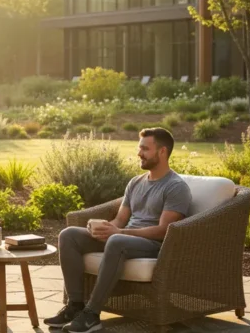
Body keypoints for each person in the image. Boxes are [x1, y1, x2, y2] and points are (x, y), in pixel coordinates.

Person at [44, 127, 193, 333]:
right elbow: (120, 220)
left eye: (145, 149)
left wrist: (119, 234)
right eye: (139, 148)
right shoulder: (136, 182)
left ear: (162, 152)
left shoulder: (176, 187)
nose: (139, 153)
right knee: (69, 235)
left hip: (154, 245)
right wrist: (104, 228)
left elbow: (163, 231)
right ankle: (75, 307)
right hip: (125, 239)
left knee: (116, 241)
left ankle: (92, 315)